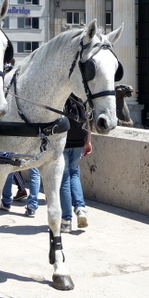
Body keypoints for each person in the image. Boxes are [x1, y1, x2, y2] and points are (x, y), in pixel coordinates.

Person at [60, 94, 92, 233]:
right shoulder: (81, 96)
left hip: (63, 142)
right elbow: (89, 120)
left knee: (64, 178)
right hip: (79, 140)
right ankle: (80, 209)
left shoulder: (61, 95)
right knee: (74, 174)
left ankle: (66, 221)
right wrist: (88, 141)